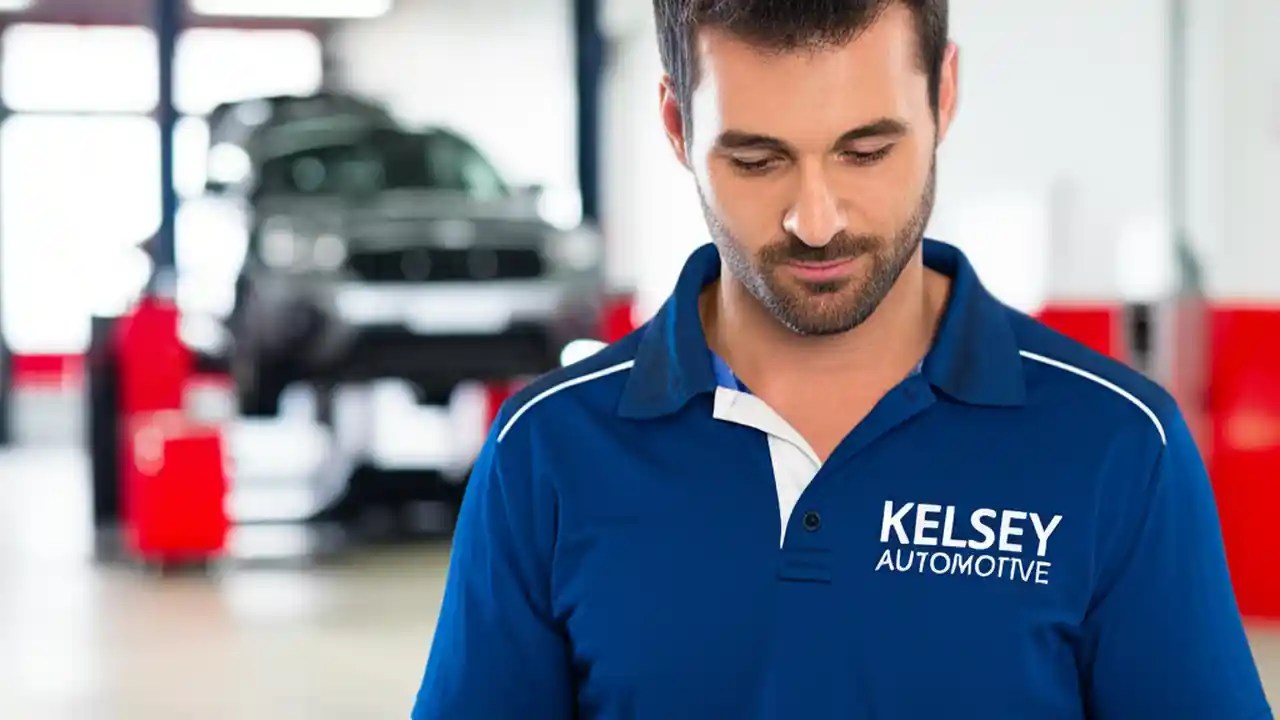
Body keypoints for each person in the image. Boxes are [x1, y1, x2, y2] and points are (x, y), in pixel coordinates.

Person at [412, 1, 1273, 717]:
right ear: (677, 124)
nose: (816, 220)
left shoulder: (1118, 447)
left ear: (945, 93)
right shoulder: (548, 452)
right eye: (756, 159)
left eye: (867, 152)